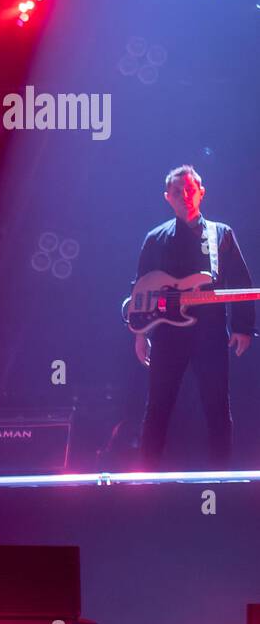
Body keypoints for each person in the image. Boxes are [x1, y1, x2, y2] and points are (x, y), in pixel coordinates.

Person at [134, 166, 254, 469]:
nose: (184, 196)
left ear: (201, 192)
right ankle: (146, 480)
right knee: (158, 406)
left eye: (190, 189)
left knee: (217, 407)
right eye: (177, 191)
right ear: (167, 198)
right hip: (165, 335)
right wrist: (141, 332)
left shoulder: (221, 234)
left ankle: (223, 478)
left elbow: (240, 280)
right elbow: (140, 287)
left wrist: (242, 327)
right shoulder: (155, 238)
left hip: (211, 332)